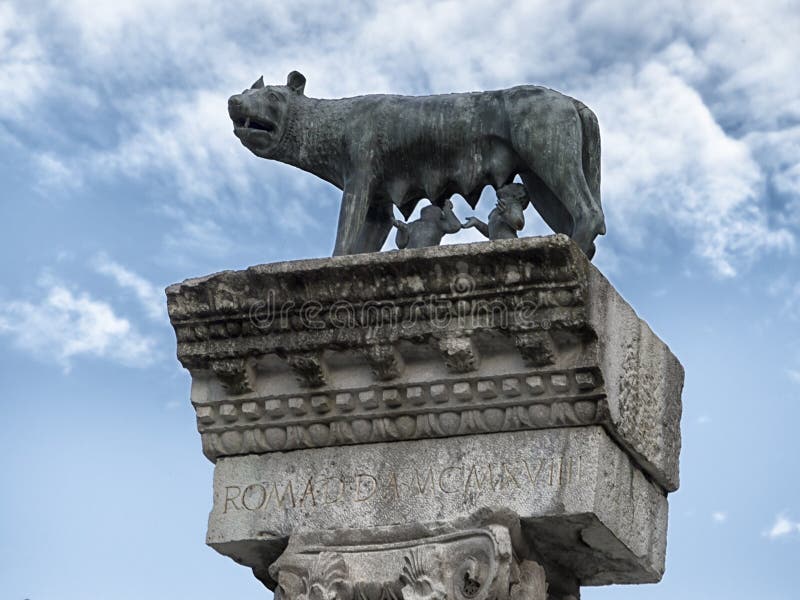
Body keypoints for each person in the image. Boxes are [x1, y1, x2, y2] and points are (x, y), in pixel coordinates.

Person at [462, 183, 529, 240]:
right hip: (496, 245)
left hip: (509, 243)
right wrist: (477, 222)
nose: (504, 185)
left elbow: (519, 224)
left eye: (508, 186)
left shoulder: (514, 205)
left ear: (516, 195)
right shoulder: (497, 210)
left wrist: (505, 214)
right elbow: (490, 232)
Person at [393, 199, 462, 249]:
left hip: (428, 254)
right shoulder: (412, 225)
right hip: (411, 254)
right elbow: (401, 244)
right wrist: (401, 229)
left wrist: (447, 209)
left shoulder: (438, 224)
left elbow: (455, 226)